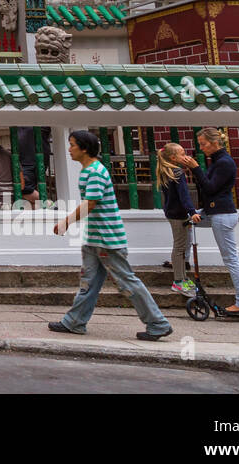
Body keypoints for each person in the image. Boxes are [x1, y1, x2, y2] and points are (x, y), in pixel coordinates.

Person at [49, 130, 172, 341]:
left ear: (84, 148)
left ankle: (158, 323)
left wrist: (66, 221)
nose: (69, 149)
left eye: (72, 145)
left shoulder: (95, 172)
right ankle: (75, 321)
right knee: (88, 281)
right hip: (95, 237)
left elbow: (90, 204)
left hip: (106, 239)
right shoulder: (89, 170)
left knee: (126, 281)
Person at [180, 127, 239, 314]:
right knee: (186, 221)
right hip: (212, 211)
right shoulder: (217, 162)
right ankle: (183, 260)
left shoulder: (225, 163)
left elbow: (210, 188)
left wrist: (196, 169)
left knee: (231, 259)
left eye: (203, 144)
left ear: (214, 143)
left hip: (222, 214)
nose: (202, 148)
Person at [155, 142, 197, 295]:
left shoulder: (166, 171)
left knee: (181, 246)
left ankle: (183, 278)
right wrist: (192, 212)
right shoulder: (177, 172)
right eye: (182, 154)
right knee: (180, 247)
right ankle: (179, 280)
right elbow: (184, 196)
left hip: (172, 212)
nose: (185, 156)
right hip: (179, 214)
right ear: (173, 158)